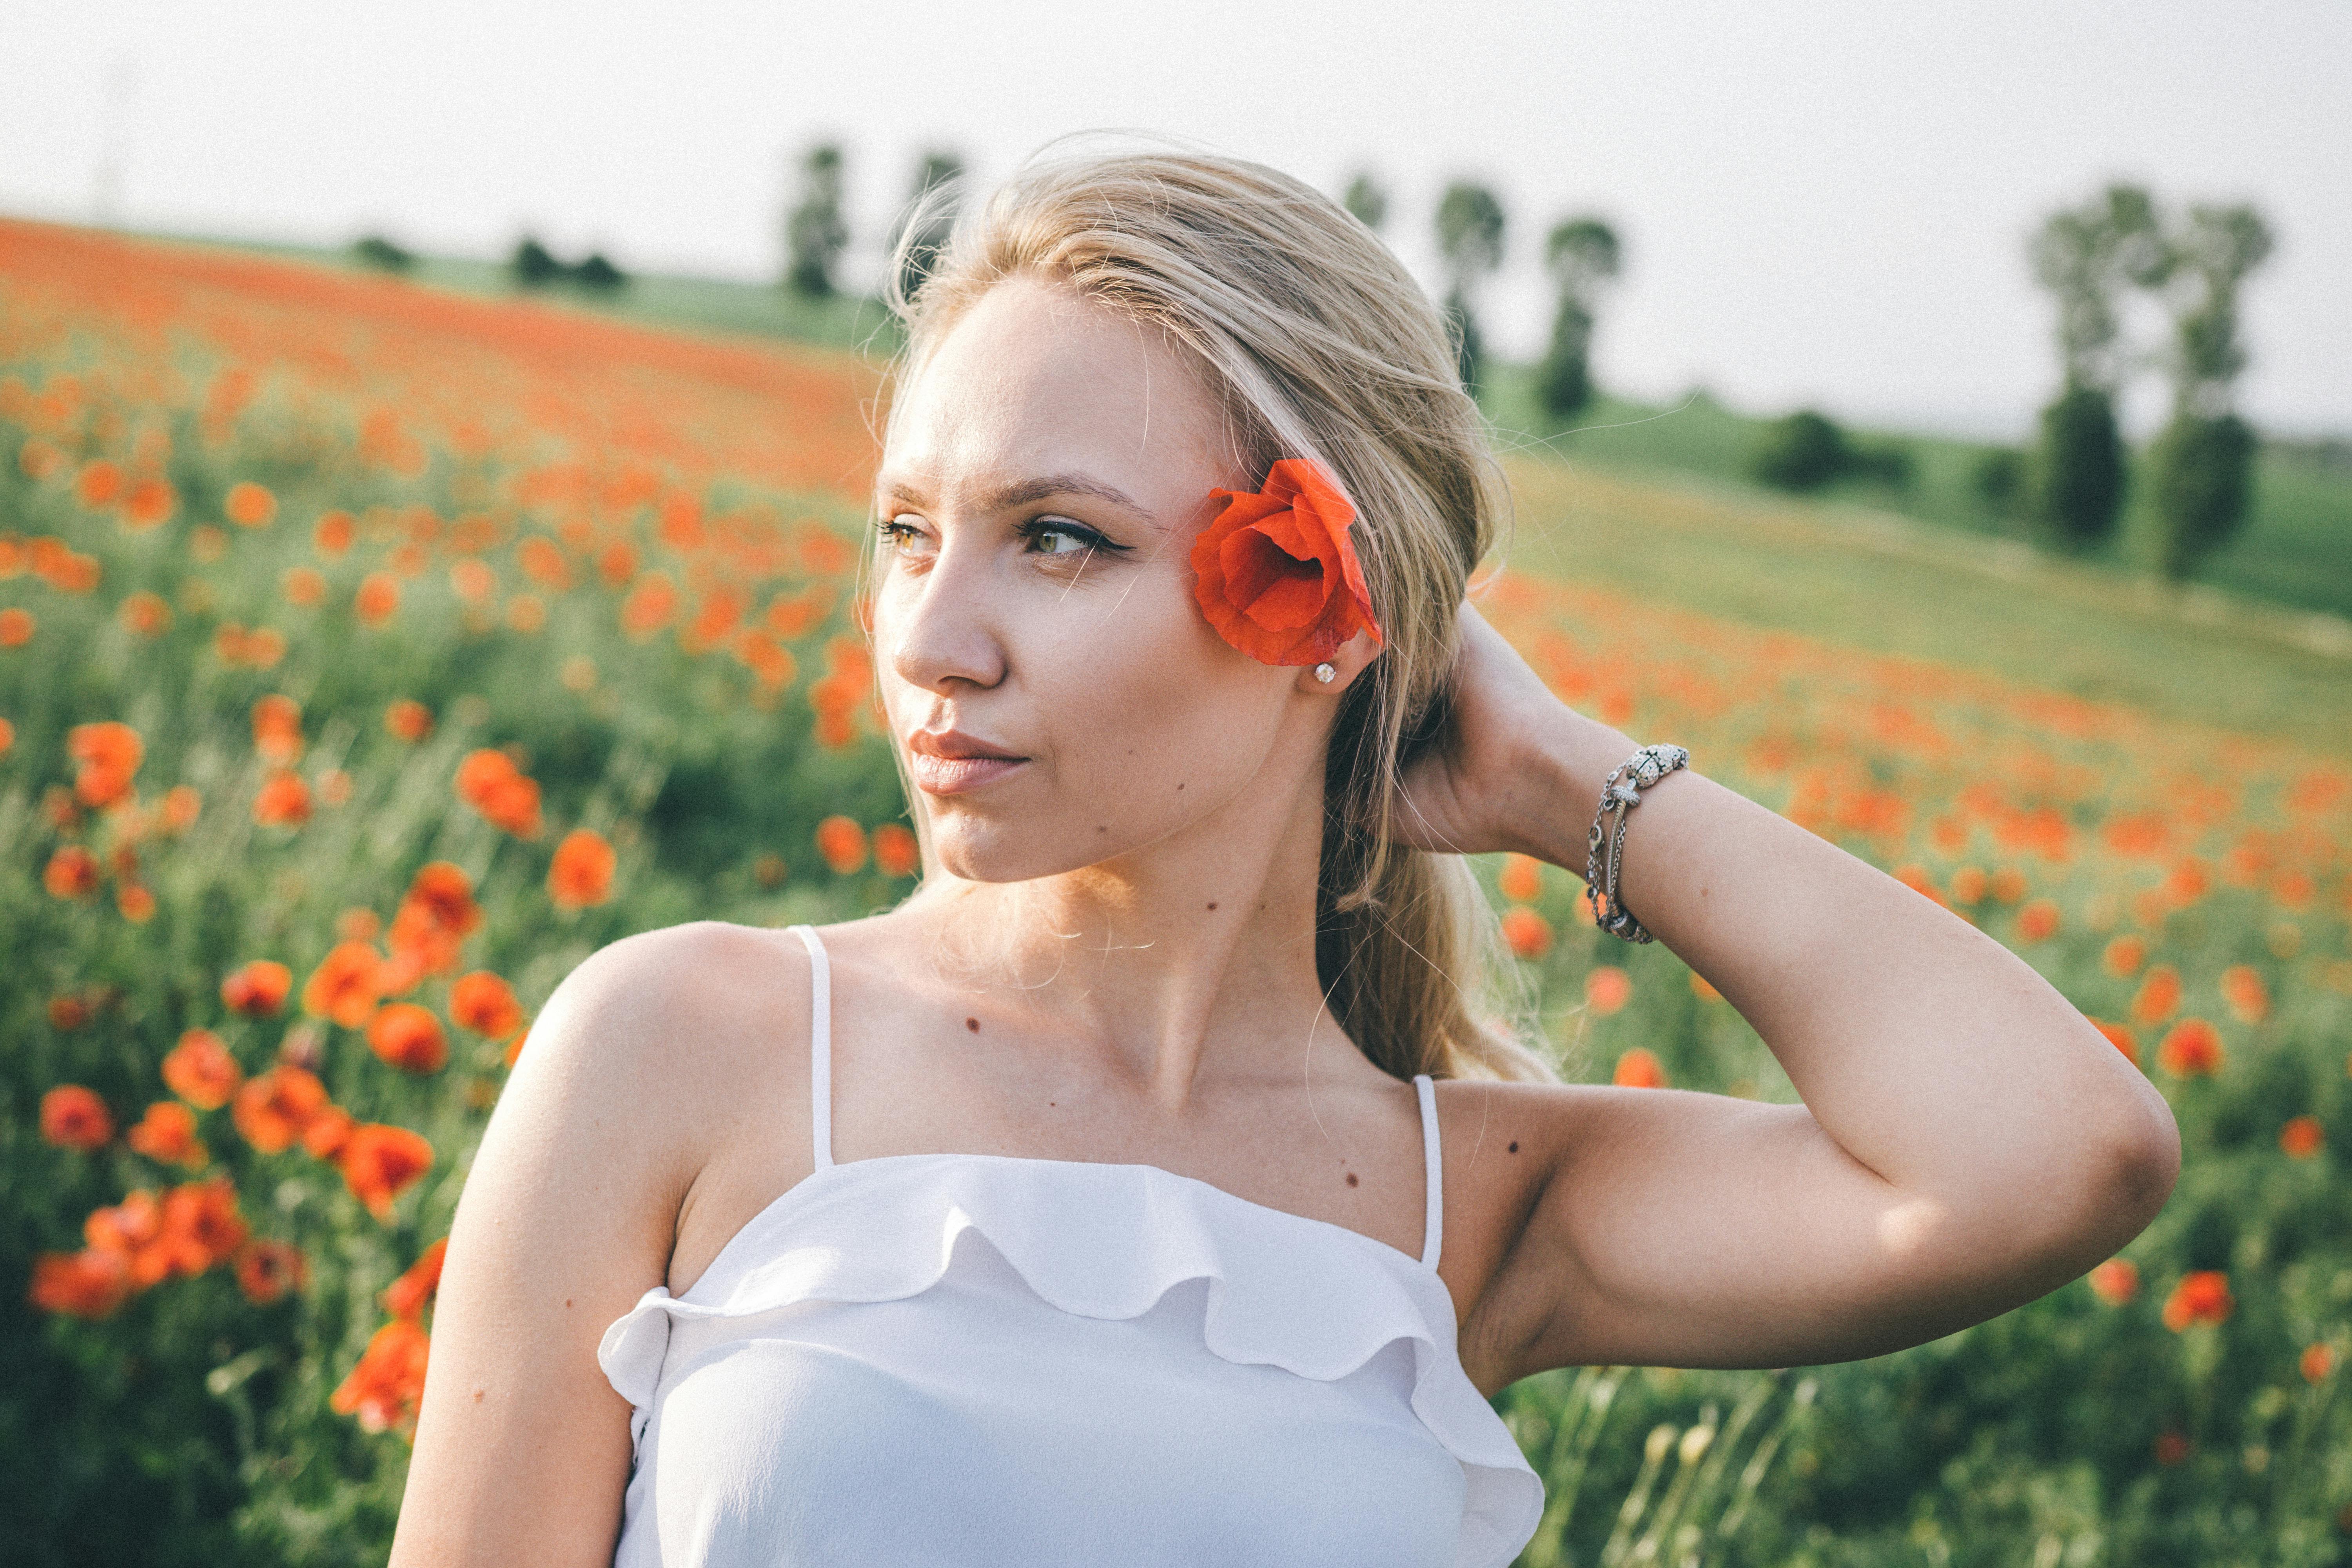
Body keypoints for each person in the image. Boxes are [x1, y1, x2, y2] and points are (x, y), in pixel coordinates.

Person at [387, 144, 2180, 1567]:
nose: (933, 631)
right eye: (910, 531)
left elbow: (2058, 1153)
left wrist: (1568, 779)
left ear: (1324, 601)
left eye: (1061, 539)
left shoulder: (1467, 1200)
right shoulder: (685, 1043)